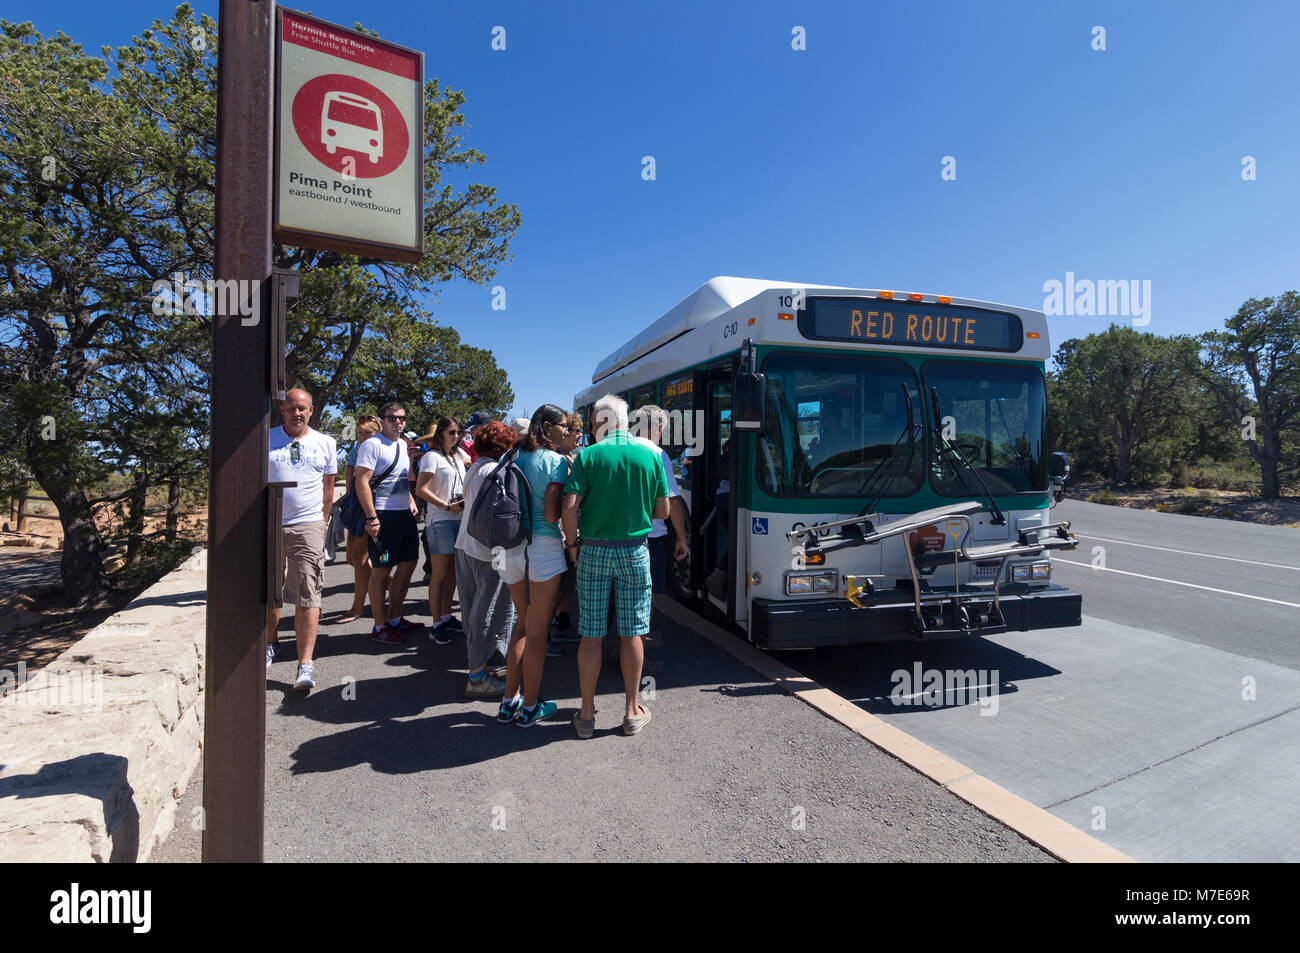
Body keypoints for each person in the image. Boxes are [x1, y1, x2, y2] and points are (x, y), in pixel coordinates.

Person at [562, 394, 668, 738]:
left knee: (591, 633)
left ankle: (587, 714)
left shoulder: (587, 456)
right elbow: (663, 511)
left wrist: (573, 544)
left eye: (593, 423)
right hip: (635, 550)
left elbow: (569, 505)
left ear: (600, 423)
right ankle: (632, 711)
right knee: (632, 632)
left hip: (593, 550)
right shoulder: (650, 455)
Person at [495, 404, 572, 727]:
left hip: (509, 546)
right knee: (539, 632)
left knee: (522, 626)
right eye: (563, 426)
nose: (566, 431)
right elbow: (554, 514)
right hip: (543, 547)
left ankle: (506, 702)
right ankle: (530, 707)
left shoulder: (508, 457)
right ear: (548, 427)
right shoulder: (555, 462)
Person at [265, 388, 337, 692]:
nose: (297, 413)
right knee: (268, 589)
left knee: (309, 592)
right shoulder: (264, 438)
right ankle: (271, 642)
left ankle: (304, 664)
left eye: (303, 409)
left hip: (307, 525)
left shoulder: (326, 443)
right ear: (282, 409)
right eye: (292, 408)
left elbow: (328, 487)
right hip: (268, 523)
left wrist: (321, 523)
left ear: (311, 410)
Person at [453, 420, 518, 698]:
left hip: (465, 545)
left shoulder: (476, 468)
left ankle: (479, 667)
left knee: (471, 608)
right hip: (488, 550)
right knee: (487, 610)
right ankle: (477, 676)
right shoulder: (495, 470)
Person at [354, 402, 425, 643]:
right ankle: (379, 625)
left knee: (408, 564)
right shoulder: (372, 445)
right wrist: (371, 517)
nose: (398, 422)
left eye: (402, 418)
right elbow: (361, 482)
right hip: (382, 516)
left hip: (403, 515)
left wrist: (410, 498)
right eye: (392, 418)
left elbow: (401, 478)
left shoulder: (403, 445)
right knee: (382, 569)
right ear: (382, 421)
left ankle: (395, 619)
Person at [630, 404, 689, 674]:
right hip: (650, 538)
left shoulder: (620, 447)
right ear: (656, 427)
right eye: (663, 428)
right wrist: (681, 537)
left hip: (619, 538)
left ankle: (622, 649)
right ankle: (636, 661)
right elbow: (672, 500)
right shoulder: (657, 453)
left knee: (624, 598)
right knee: (644, 601)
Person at [415, 416, 470, 644]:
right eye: (451, 432)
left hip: (459, 519)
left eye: (458, 432)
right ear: (440, 435)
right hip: (440, 521)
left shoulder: (457, 457)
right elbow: (420, 489)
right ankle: (436, 622)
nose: (455, 437)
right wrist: (446, 506)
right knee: (439, 574)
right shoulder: (431, 457)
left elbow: (472, 458)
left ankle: (447, 616)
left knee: (454, 573)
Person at [334, 414, 380, 624]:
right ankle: (380, 586)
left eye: (367, 432)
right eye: (360, 432)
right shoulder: (359, 447)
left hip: (370, 503)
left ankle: (358, 607)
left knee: (360, 557)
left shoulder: (380, 447)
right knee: (352, 558)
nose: (363, 436)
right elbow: (351, 470)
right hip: (355, 501)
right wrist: (347, 492)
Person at [548, 412, 584, 650]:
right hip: (564, 534)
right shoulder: (561, 462)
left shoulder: (569, 458)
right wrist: (566, 536)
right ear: (564, 434)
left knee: (569, 584)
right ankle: (546, 633)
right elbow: (562, 504)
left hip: (570, 531)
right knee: (559, 587)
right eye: (576, 432)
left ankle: (561, 626)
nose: (580, 436)